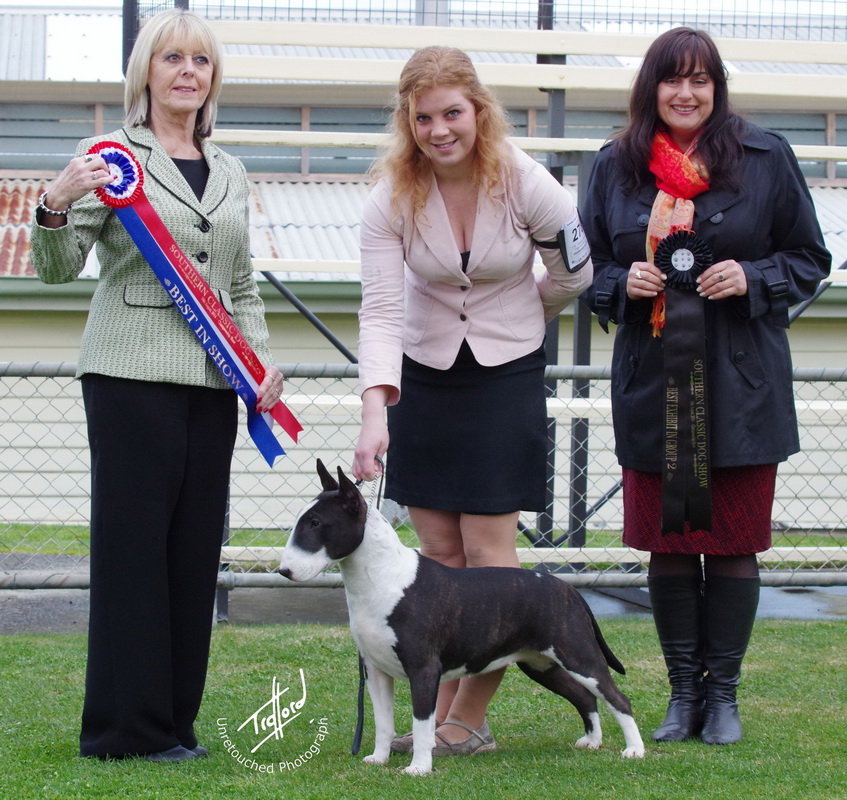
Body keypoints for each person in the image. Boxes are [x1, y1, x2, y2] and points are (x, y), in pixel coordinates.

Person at [30, 9, 284, 762]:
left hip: (213, 385)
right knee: (132, 553)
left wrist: (260, 362)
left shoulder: (232, 170)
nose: (187, 71)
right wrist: (55, 201)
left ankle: (175, 724)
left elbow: (239, 283)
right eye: (172, 58)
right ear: (146, 71)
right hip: (128, 376)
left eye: (200, 61)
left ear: (213, 78)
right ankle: (122, 730)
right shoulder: (107, 154)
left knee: (191, 553)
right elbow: (55, 267)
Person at [580, 27, 830, 745]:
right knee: (667, 542)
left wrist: (753, 276)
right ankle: (679, 694)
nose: (685, 93)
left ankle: (722, 695)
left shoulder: (765, 157)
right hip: (650, 383)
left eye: (699, 79)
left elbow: (810, 257)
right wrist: (617, 282)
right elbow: (585, 268)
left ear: (716, 87)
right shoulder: (613, 167)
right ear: (649, 89)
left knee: (730, 544)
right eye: (670, 79)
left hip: (741, 384)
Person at [352, 45, 592, 756]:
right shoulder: (388, 197)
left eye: (451, 113)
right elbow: (379, 311)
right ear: (407, 121)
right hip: (423, 376)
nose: (439, 130)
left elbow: (574, 271)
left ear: (477, 111)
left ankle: (467, 720)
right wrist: (374, 411)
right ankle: (441, 717)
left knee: (490, 554)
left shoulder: (526, 182)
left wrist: (522, 310)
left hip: (504, 374)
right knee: (436, 551)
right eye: (422, 117)